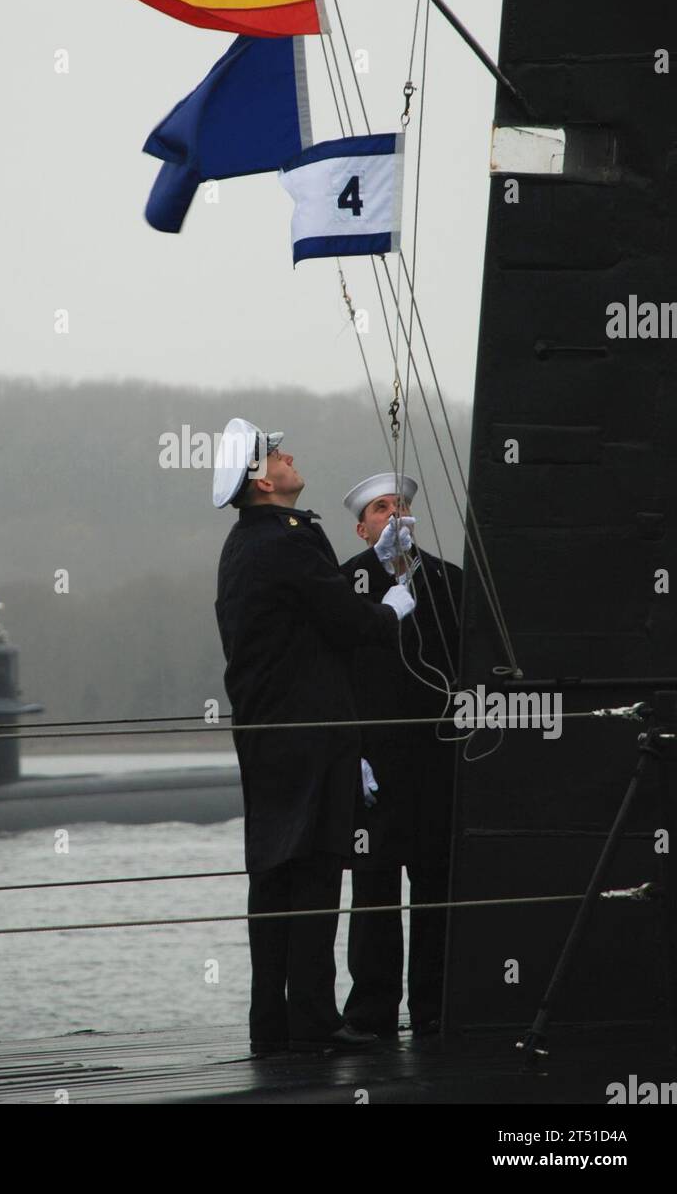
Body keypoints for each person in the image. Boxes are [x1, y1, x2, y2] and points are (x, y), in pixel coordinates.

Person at [213, 419, 416, 1054]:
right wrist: (390, 608)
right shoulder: (293, 539)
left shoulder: (244, 544)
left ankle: (270, 1024)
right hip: (312, 735)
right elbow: (341, 620)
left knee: (274, 876)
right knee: (315, 873)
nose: (291, 457)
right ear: (261, 479)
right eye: (279, 454)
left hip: (270, 733)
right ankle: (313, 1021)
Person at [339, 472, 463, 1039]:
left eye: (402, 506)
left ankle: (437, 1009)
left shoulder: (451, 582)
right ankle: (372, 1015)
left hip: (437, 756)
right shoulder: (343, 585)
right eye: (381, 508)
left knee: (437, 887)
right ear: (363, 526)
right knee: (375, 890)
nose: (394, 515)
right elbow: (334, 673)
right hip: (376, 761)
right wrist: (351, 751)